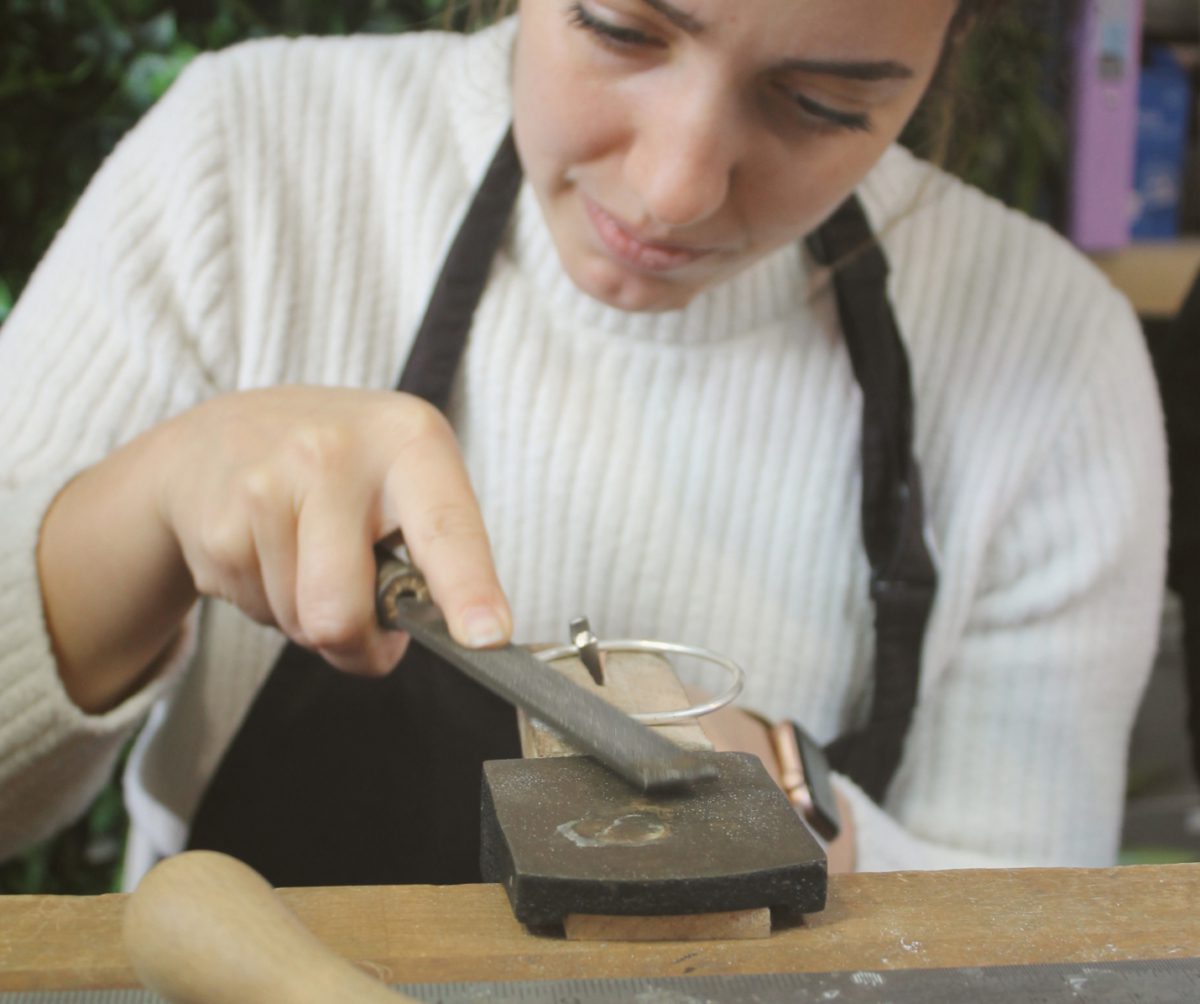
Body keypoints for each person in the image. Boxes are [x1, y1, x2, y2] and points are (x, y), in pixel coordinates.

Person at [0, 0, 1166, 888]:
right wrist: (148, 504)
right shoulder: (247, 162)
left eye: (821, 104)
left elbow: (1035, 946)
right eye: (620, 29)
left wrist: (803, 805)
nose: (672, 189)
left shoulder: (1049, 352)